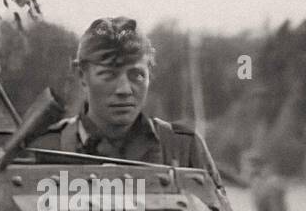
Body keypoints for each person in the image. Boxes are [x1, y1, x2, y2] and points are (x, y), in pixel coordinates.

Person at [25, 16, 224, 187]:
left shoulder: (183, 149)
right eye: (109, 74)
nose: (124, 90)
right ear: (82, 76)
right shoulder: (45, 149)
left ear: (149, 75)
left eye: (136, 75)